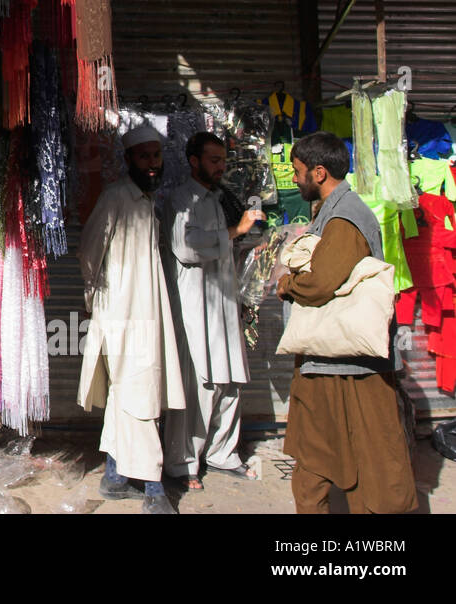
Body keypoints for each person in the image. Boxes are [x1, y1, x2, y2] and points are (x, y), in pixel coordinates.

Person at [277, 131, 418, 514]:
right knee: (315, 454)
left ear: (319, 173)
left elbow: (323, 282)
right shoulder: (336, 211)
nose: (294, 178)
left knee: (369, 457)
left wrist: (288, 284)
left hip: (350, 367)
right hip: (329, 363)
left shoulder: (344, 217)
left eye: (298, 170)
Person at [78, 124, 185, 514]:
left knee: (130, 390)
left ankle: (115, 474)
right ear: (128, 160)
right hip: (123, 314)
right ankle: (154, 488)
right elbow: (89, 251)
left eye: (156, 156)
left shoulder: (147, 200)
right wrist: (96, 302)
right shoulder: (116, 197)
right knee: (140, 390)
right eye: (144, 156)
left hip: (146, 309)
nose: (152, 163)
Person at [163, 132, 265, 490]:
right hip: (196, 305)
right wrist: (236, 231)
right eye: (214, 160)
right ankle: (183, 462)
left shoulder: (221, 198)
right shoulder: (182, 200)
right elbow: (186, 247)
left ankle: (223, 453)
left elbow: (228, 243)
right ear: (194, 161)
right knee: (200, 383)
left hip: (224, 298)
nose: (221, 167)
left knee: (230, 380)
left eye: (223, 161)